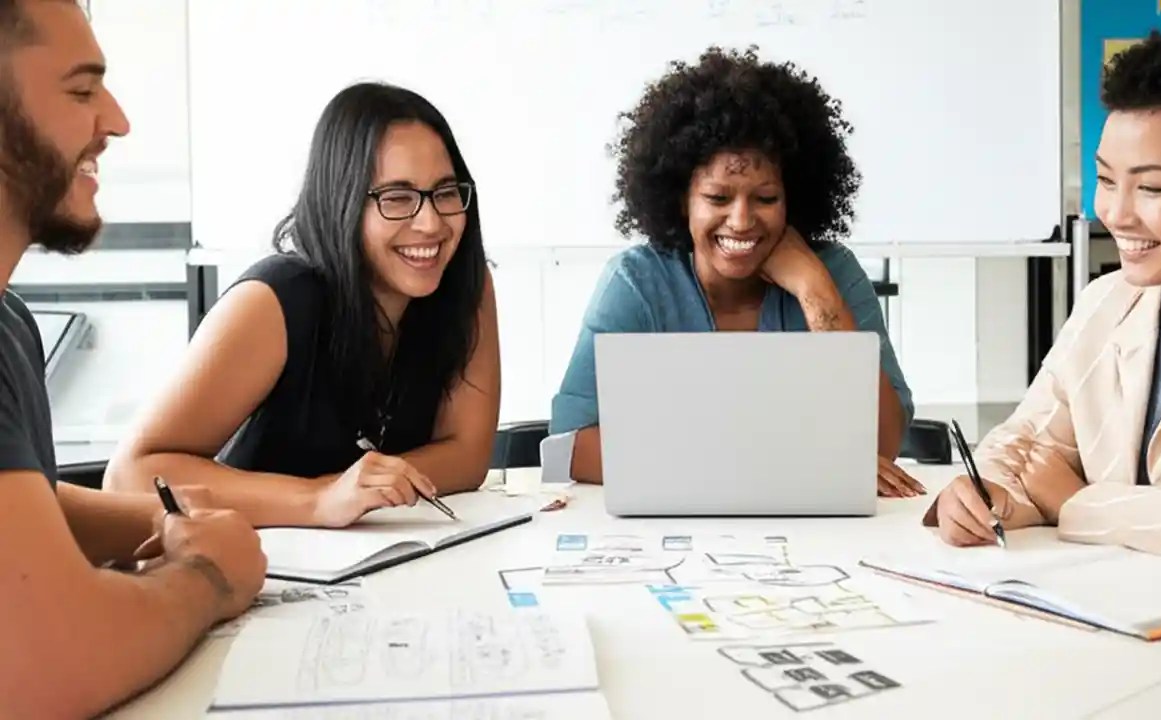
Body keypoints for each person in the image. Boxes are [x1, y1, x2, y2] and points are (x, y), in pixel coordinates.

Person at [0, 2, 266, 716]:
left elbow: (21, 505)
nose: (117, 121)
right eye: (82, 91)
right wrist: (210, 574)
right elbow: (55, 662)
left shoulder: (8, 320)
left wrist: (155, 520)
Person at [928, 30, 1161, 567]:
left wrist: (1078, 505)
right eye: (1105, 179)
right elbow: (1027, 445)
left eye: (1152, 188)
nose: (1115, 213)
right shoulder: (1106, 302)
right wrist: (988, 493)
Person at [104, 82, 501, 529]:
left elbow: (467, 455)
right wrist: (318, 498)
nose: (431, 224)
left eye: (445, 193)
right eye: (397, 198)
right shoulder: (273, 301)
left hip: (383, 562)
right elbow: (130, 476)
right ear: (341, 201)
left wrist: (369, 491)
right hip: (263, 565)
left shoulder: (463, 281)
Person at [548, 47, 922, 497]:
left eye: (765, 199)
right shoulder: (636, 284)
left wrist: (814, 288)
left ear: (793, 198)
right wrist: (771, 463)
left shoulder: (832, 272)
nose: (742, 221)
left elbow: (881, 444)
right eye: (718, 198)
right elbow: (568, 445)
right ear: (681, 199)